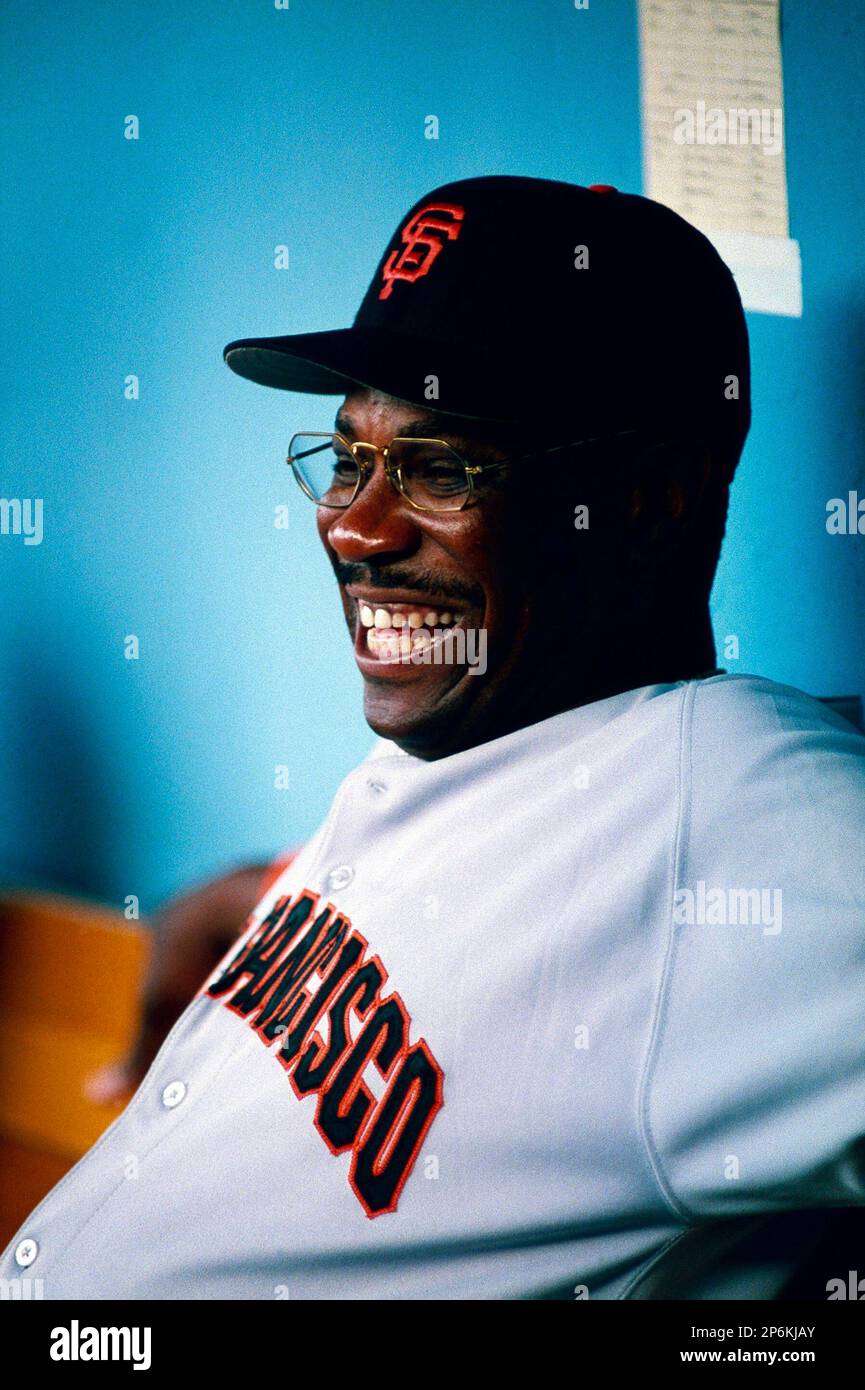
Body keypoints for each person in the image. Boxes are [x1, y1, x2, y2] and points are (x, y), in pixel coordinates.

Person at [5, 175, 864, 1300]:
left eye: (442, 466)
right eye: (349, 456)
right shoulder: (485, 722)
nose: (354, 526)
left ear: (652, 500)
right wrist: (260, 893)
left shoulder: (744, 809)